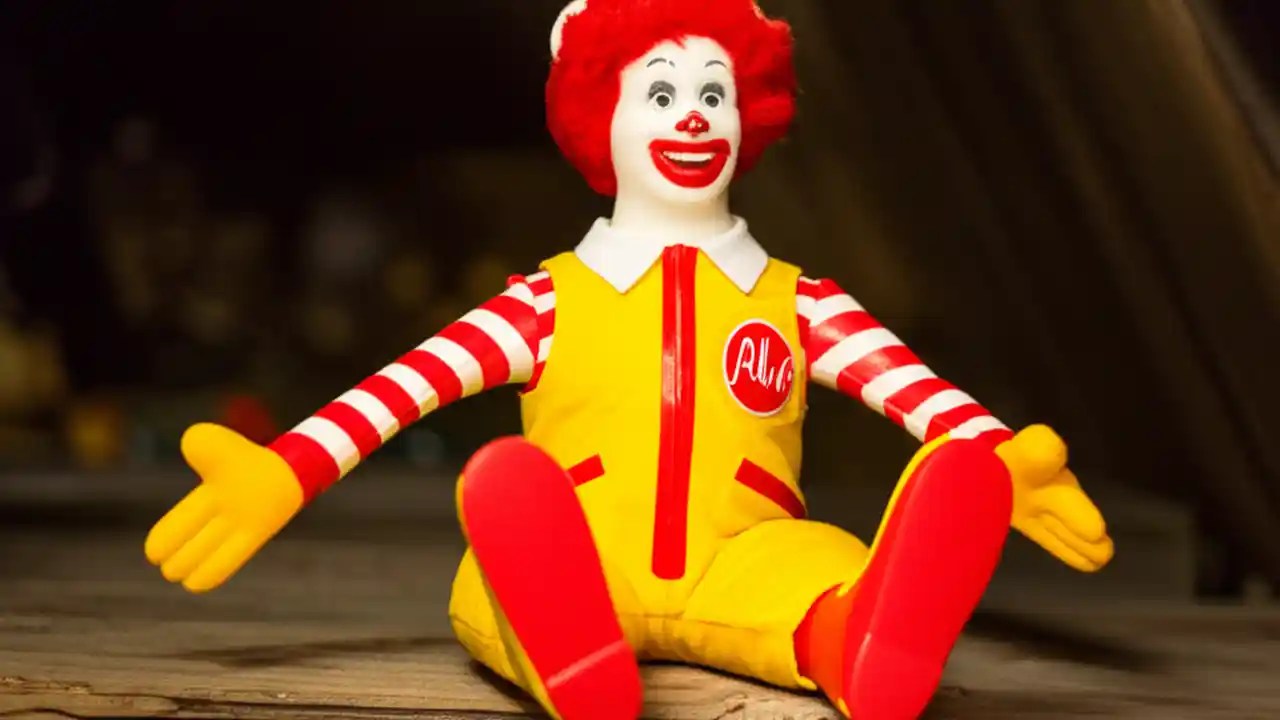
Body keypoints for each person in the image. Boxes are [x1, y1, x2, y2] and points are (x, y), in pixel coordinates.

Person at [144, 2, 1115, 718]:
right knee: (498, 565)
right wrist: (288, 466)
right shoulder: (546, 300)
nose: (691, 116)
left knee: (826, 572)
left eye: (712, 93)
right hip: (574, 547)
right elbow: (411, 383)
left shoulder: (793, 301)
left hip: (751, 551)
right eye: (659, 92)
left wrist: (997, 463)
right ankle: (576, 659)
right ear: (597, 117)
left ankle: (859, 646)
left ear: (750, 116)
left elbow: (907, 386)